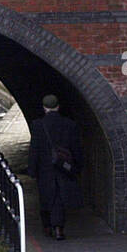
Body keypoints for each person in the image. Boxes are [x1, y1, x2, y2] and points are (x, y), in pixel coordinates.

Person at [29, 94, 84, 240]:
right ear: (58, 107)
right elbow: (76, 148)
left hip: (45, 168)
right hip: (63, 166)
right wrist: (77, 166)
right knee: (59, 197)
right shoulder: (69, 124)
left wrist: (32, 169)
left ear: (44, 108)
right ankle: (58, 228)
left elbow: (34, 149)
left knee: (46, 197)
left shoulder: (37, 125)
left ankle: (48, 226)